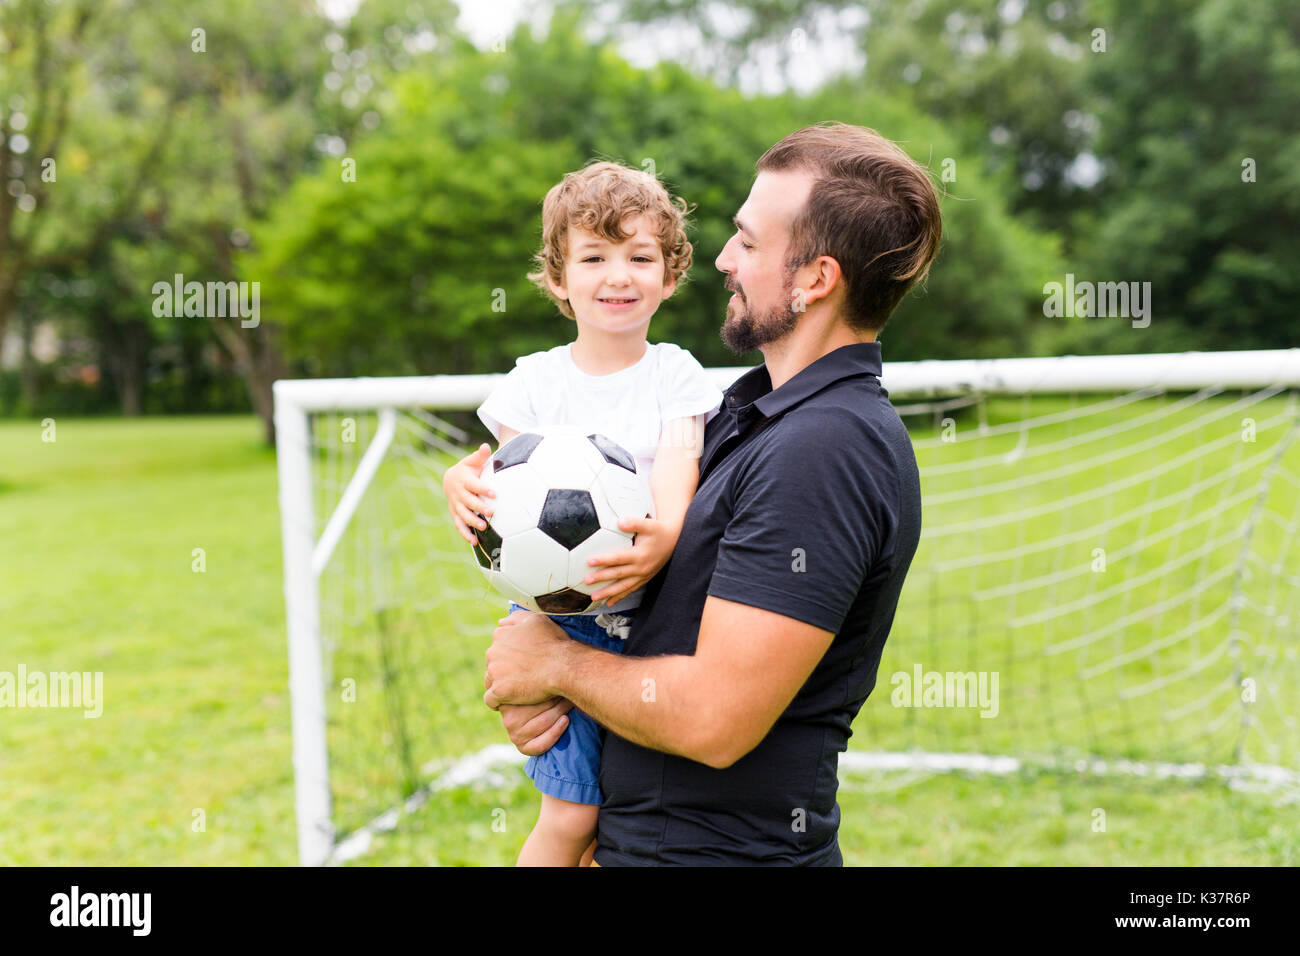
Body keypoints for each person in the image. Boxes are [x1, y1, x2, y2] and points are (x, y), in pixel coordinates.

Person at [483, 122, 942, 865]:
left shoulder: (825, 449)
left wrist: (556, 667)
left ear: (815, 279)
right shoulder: (752, 411)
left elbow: (713, 719)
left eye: (749, 243)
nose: (723, 260)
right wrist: (565, 696)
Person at [442, 160, 722, 866]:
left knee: (623, 823)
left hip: (655, 625)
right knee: (573, 818)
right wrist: (458, 486)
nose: (618, 275)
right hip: (557, 621)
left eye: (640, 256)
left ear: (670, 272)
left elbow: (678, 466)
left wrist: (661, 538)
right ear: (559, 279)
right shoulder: (534, 382)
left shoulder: (677, 375)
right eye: (594, 258)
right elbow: (501, 489)